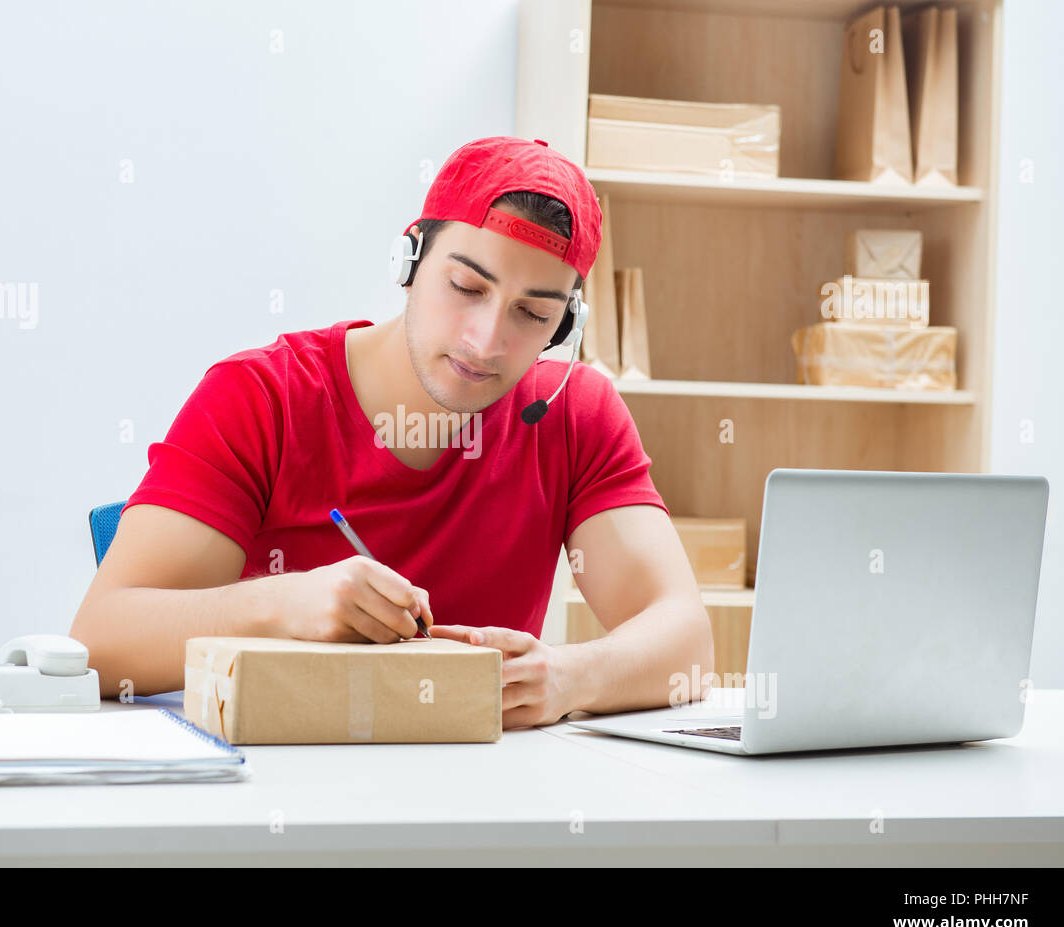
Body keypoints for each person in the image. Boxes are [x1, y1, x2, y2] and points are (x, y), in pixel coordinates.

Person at [70, 136, 713, 728]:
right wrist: (283, 606)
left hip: (477, 806)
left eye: (532, 313)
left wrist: (571, 678)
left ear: (562, 329)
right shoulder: (262, 398)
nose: (485, 341)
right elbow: (101, 637)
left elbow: (686, 638)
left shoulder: (574, 414)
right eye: (466, 286)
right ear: (411, 258)